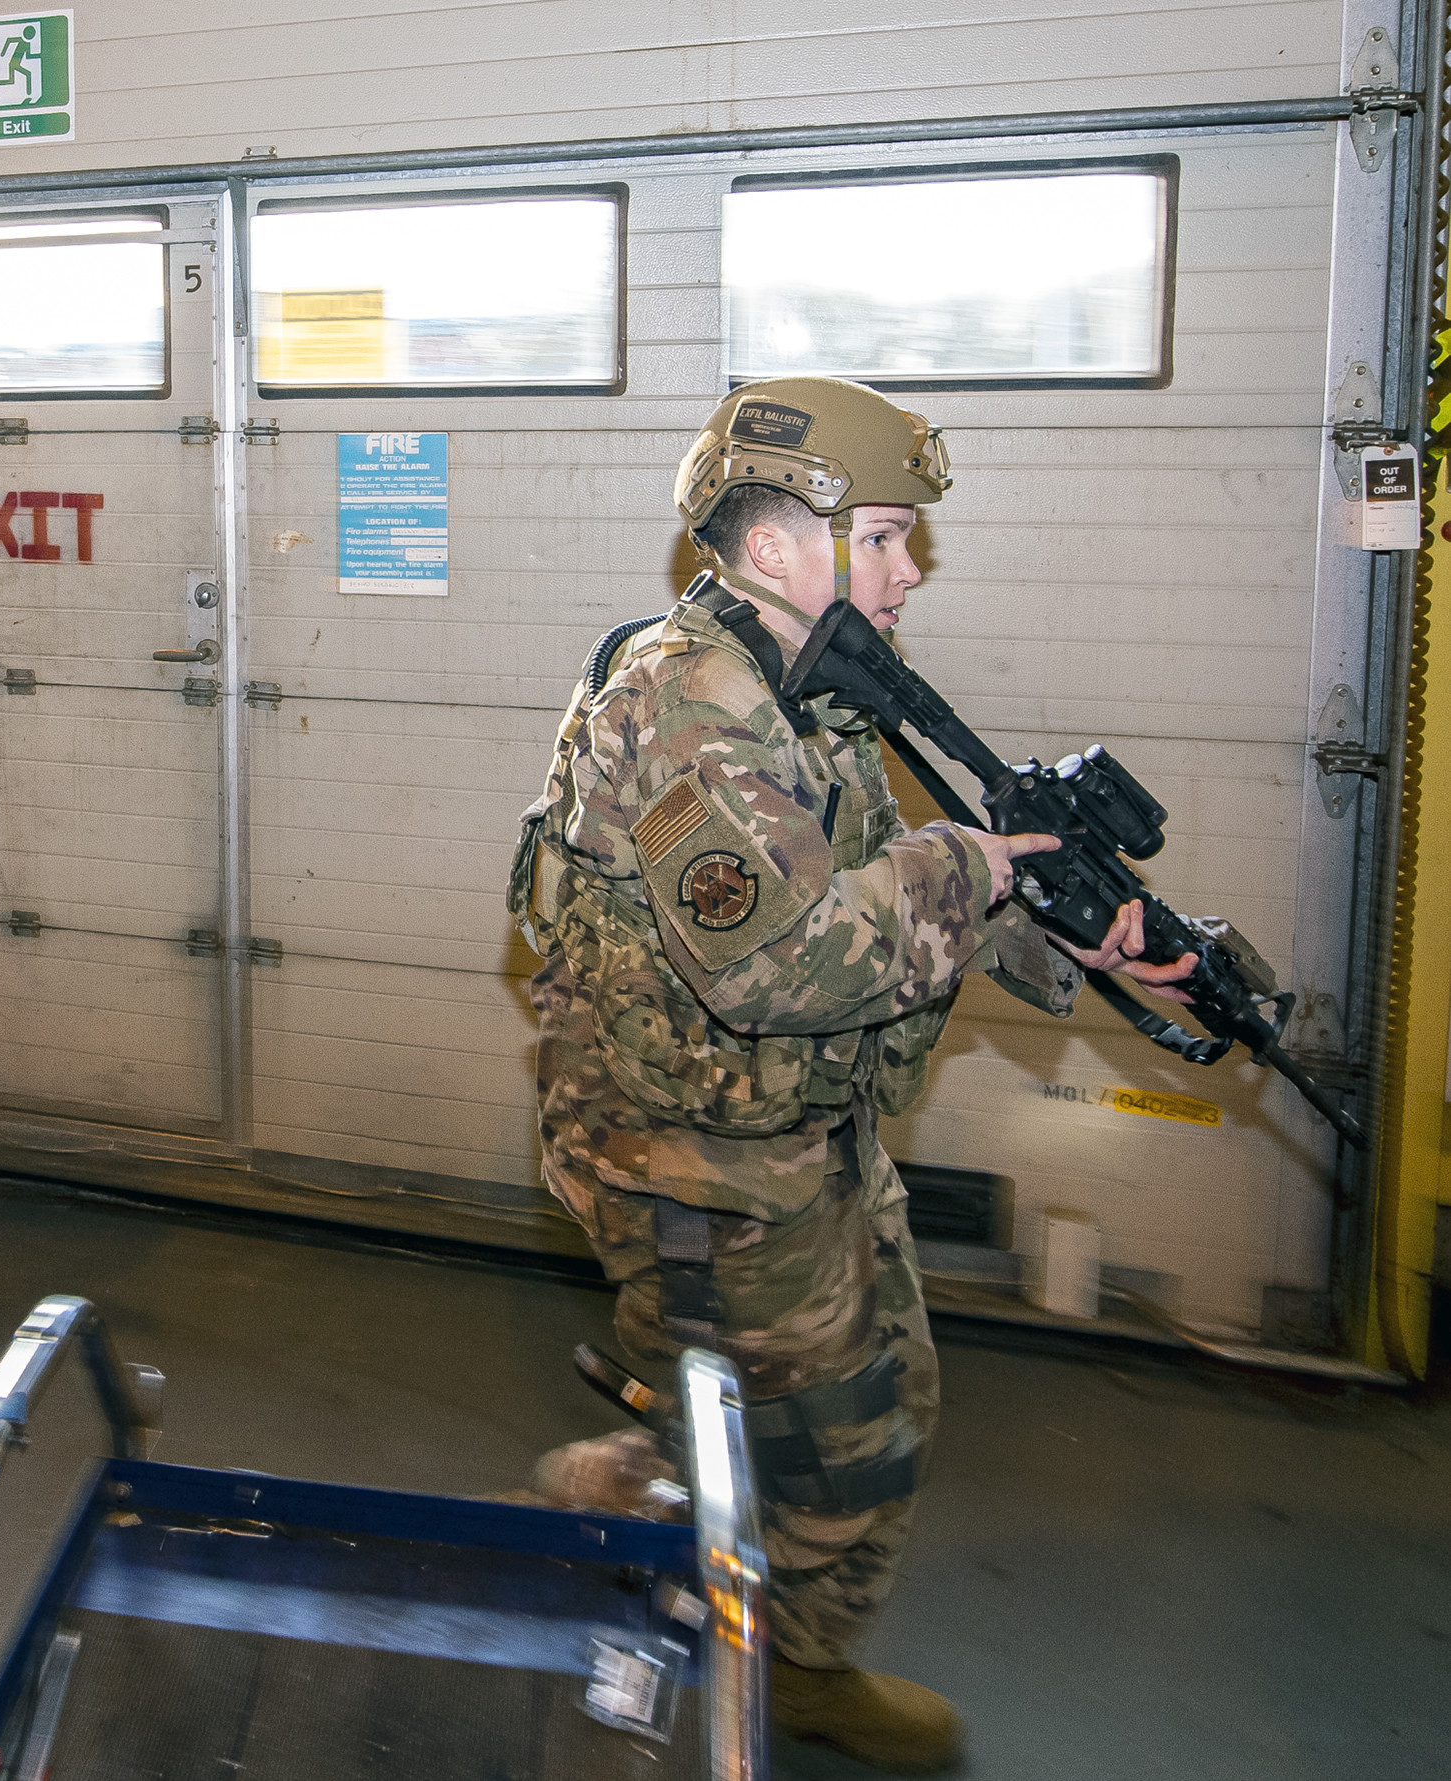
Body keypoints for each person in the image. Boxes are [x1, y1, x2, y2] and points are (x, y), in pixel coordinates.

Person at [510, 377, 1192, 1772]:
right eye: (881, 537)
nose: (907, 569)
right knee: (824, 1454)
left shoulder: (803, 686)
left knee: (881, 1400)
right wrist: (965, 866)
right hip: (693, 1162)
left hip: (800, 1132)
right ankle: (677, 1623)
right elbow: (782, 963)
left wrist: (1069, 934)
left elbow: (870, 881)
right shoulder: (690, 705)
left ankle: (761, 1629)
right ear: (774, 547)